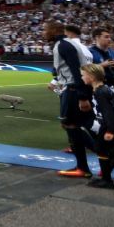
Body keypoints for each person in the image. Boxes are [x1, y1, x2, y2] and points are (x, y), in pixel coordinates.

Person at [47, 19, 95, 178]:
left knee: (71, 126)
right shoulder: (67, 44)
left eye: (45, 30)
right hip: (74, 88)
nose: (43, 33)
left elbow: (76, 70)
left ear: (53, 30)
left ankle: (89, 164)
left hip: (73, 89)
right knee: (72, 125)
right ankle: (93, 161)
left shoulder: (63, 45)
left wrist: (82, 96)